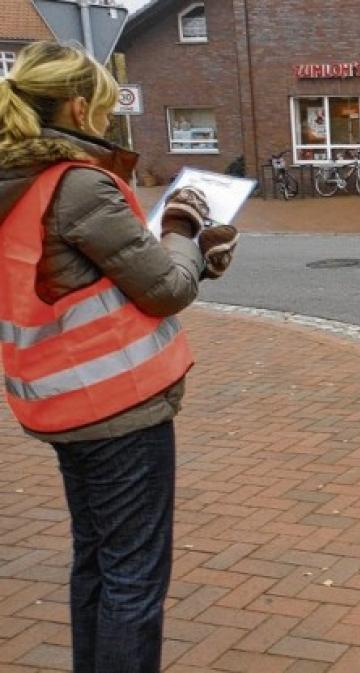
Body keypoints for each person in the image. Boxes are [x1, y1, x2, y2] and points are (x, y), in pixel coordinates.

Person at [0, 41, 238, 672]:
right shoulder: (76, 184)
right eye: (102, 107)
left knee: (96, 558)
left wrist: (184, 256)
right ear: (78, 106)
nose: (106, 119)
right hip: (117, 404)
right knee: (133, 577)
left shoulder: (14, 181)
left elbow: (81, 280)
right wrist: (185, 233)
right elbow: (164, 289)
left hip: (53, 398)